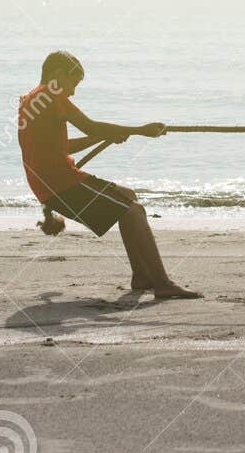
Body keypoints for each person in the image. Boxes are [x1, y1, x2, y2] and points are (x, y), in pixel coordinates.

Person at [17, 50, 200, 299]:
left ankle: (142, 275)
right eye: (74, 83)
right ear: (59, 76)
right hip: (62, 184)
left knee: (127, 196)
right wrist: (140, 130)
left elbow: (64, 147)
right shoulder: (51, 95)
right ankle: (162, 284)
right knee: (132, 209)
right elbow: (89, 125)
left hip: (48, 185)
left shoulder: (31, 100)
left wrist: (102, 136)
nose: (73, 92)